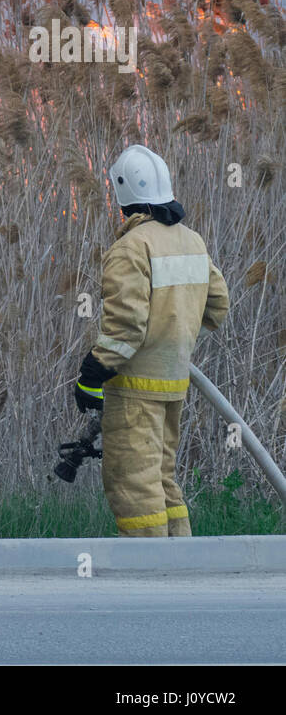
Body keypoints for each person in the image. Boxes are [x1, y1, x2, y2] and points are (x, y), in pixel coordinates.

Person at [73, 145, 230, 536]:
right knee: (162, 480)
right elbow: (218, 308)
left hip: (134, 391)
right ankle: (181, 571)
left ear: (123, 194)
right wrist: (177, 324)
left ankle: (149, 579)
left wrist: (92, 375)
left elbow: (127, 327)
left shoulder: (131, 247)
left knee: (134, 486)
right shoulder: (191, 241)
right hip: (173, 386)